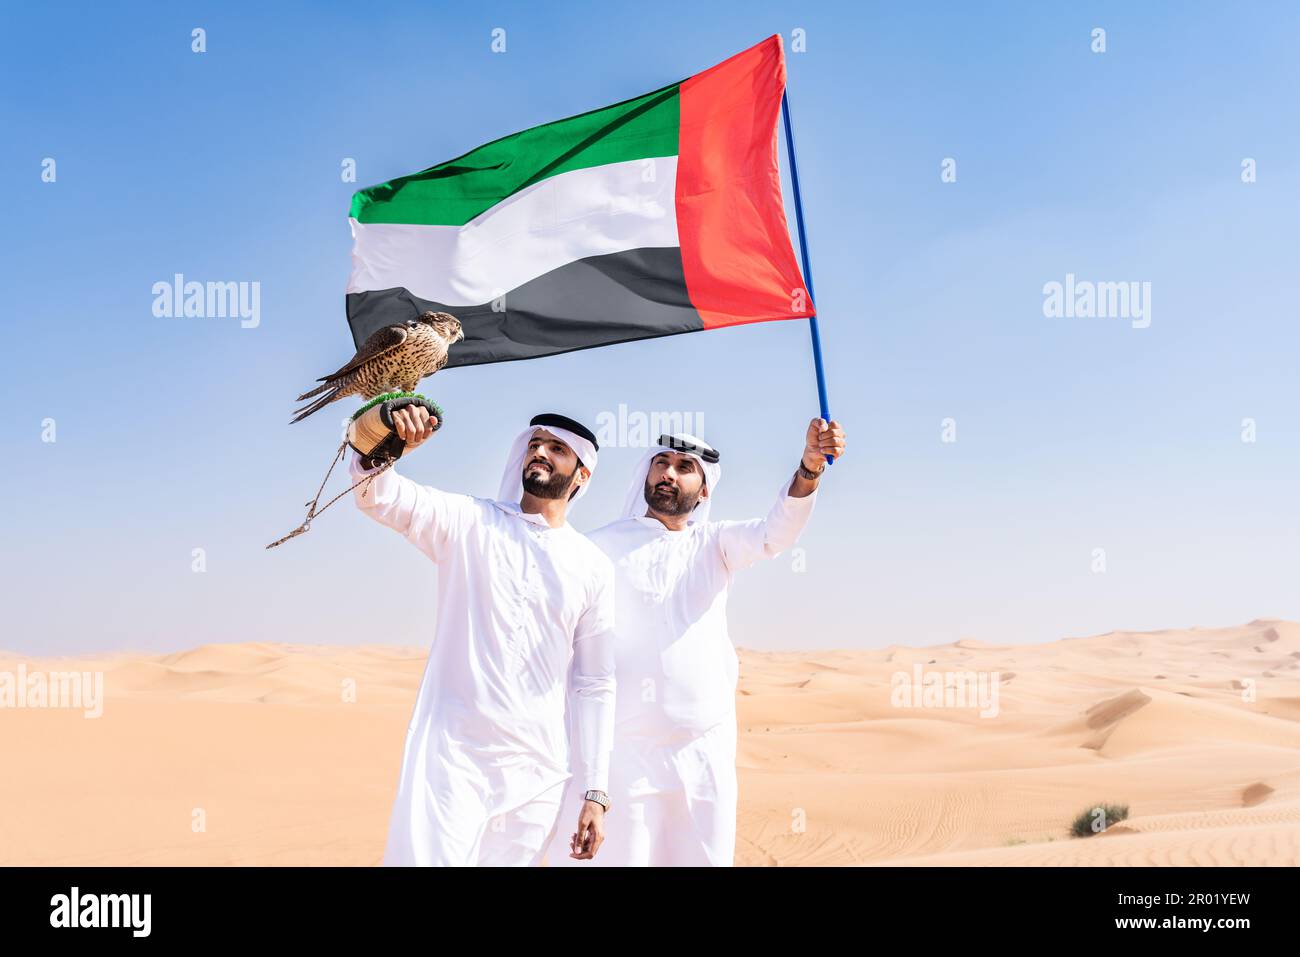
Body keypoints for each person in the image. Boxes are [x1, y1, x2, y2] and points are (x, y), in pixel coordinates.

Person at [549, 418, 846, 866]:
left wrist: (809, 469)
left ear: (703, 489)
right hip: (622, 758)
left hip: (702, 757)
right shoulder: (597, 548)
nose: (668, 473)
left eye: (684, 467)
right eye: (661, 463)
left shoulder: (715, 544)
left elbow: (776, 533)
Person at [350, 407, 616, 865]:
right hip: (453, 759)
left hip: (539, 771)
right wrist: (385, 437)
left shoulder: (593, 566)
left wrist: (595, 791)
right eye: (535, 445)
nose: (540, 453)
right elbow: (378, 496)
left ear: (581, 473)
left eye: (556, 449)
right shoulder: (470, 521)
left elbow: (595, 683)